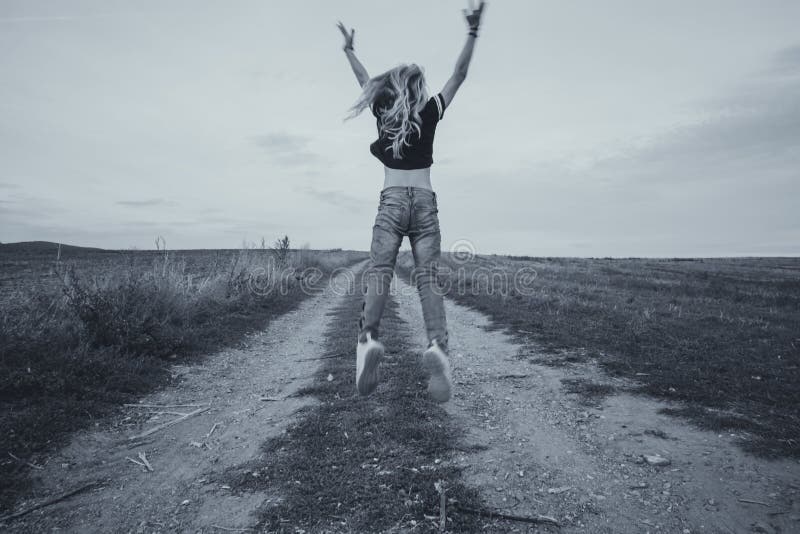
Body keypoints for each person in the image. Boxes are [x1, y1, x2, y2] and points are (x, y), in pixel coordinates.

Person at [337, 1, 486, 403]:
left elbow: (364, 78)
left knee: (381, 270)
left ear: (394, 87)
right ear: (419, 87)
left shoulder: (384, 108)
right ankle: (437, 345)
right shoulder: (431, 110)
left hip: (391, 201)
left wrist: (349, 50)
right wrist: (472, 32)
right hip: (423, 201)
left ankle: (368, 338)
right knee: (427, 279)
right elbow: (460, 75)